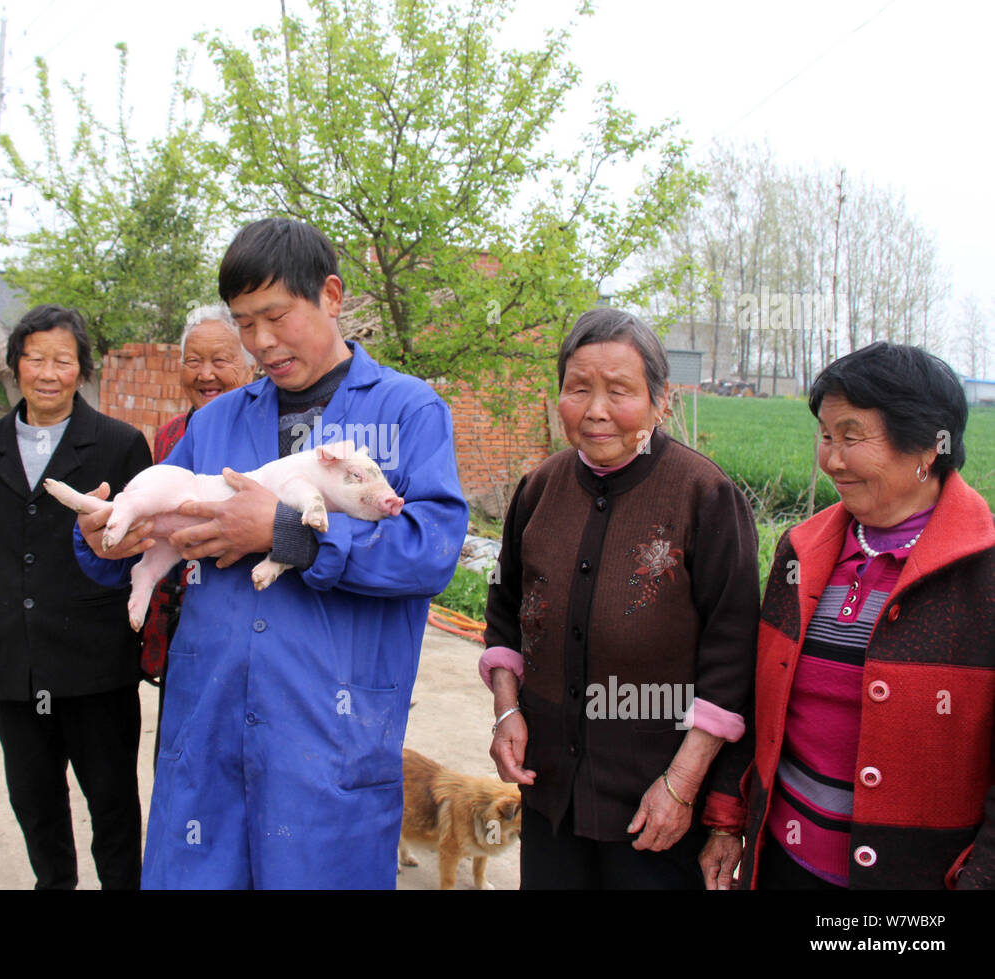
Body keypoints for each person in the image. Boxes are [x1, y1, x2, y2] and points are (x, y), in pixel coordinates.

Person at [73, 217, 468, 889]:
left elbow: (429, 552)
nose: (260, 342)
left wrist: (287, 534)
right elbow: (162, 520)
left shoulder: (408, 412)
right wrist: (109, 540)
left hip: (329, 739)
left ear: (333, 296)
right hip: (209, 728)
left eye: (276, 317)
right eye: (244, 323)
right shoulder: (217, 420)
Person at [481, 307, 758, 889]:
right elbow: (506, 612)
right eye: (578, 389)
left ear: (661, 400)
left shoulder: (705, 496)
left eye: (620, 391)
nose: (596, 410)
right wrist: (508, 709)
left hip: (653, 799)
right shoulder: (538, 489)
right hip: (550, 788)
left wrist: (682, 786)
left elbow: (732, 660)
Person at [707, 342, 995, 890]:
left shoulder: (983, 572)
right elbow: (758, 698)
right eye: (826, 435)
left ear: (928, 445)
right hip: (784, 866)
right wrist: (726, 821)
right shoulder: (802, 552)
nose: (832, 459)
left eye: (852, 436)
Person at [0, 304, 152, 889]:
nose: (48, 372)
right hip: (12, 660)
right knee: (36, 802)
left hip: (95, 661)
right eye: (35, 358)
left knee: (112, 801)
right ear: (15, 366)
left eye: (62, 360)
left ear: (81, 369)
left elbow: (139, 540)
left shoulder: (119, 444)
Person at [140, 304, 254, 748]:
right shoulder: (169, 437)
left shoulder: (266, 436)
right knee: (179, 754)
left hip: (245, 634)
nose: (206, 374)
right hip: (178, 632)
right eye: (194, 361)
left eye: (221, 360)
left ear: (248, 365)